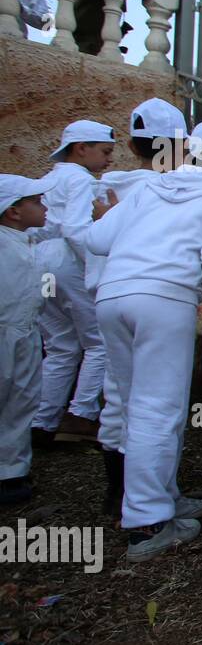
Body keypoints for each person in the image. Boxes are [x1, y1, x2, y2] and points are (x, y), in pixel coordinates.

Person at [86, 119, 202, 560]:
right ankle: (147, 522)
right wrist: (199, 279)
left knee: (132, 403)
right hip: (163, 300)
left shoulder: (149, 189)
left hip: (112, 296)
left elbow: (97, 238)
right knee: (159, 408)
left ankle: (162, 498)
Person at [29, 120, 117, 446]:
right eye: (105, 152)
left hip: (41, 263)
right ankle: (81, 415)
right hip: (67, 261)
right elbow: (75, 229)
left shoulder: (49, 179)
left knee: (60, 345)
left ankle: (44, 420)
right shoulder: (81, 180)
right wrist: (98, 267)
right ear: (82, 149)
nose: (109, 160)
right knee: (99, 342)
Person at [0, 174, 54, 505]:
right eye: (36, 202)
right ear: (13, 211)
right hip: (5, 329)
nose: (44, 207)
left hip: (24, 330)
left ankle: (11, 471)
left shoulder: (27, 242)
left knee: (21, 399)